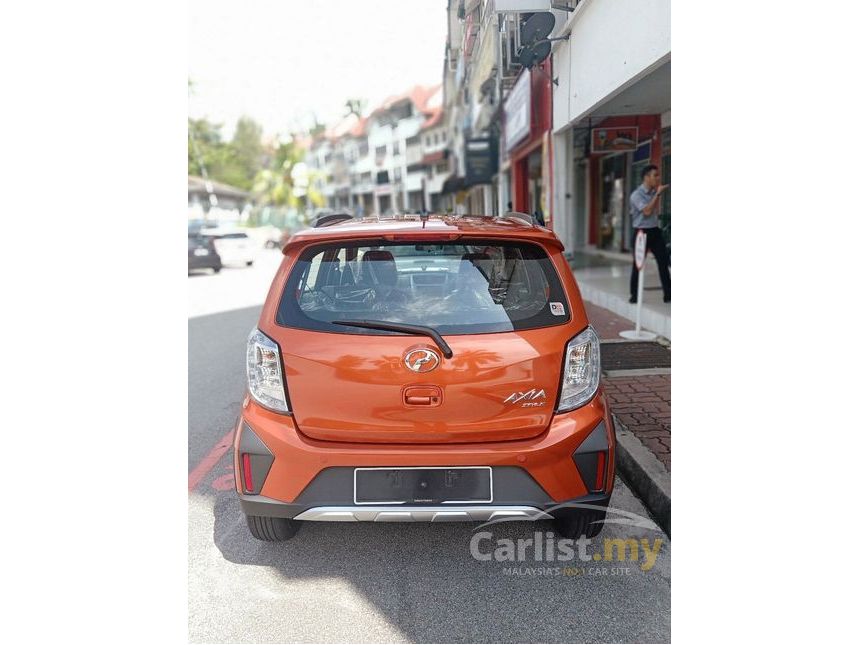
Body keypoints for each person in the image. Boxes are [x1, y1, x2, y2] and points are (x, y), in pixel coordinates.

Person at [629, 164, 670, 303]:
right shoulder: (636, 195)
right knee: (638, 264)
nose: (658, 178)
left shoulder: (653, 192)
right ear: (646, 177)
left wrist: (656, 193)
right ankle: (634, 295)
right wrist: (658, 194)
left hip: (654, 231)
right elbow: (647, 211)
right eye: (655, 175)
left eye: (658, 175)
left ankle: (669, 294)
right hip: (641, 232)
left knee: (663, 261)